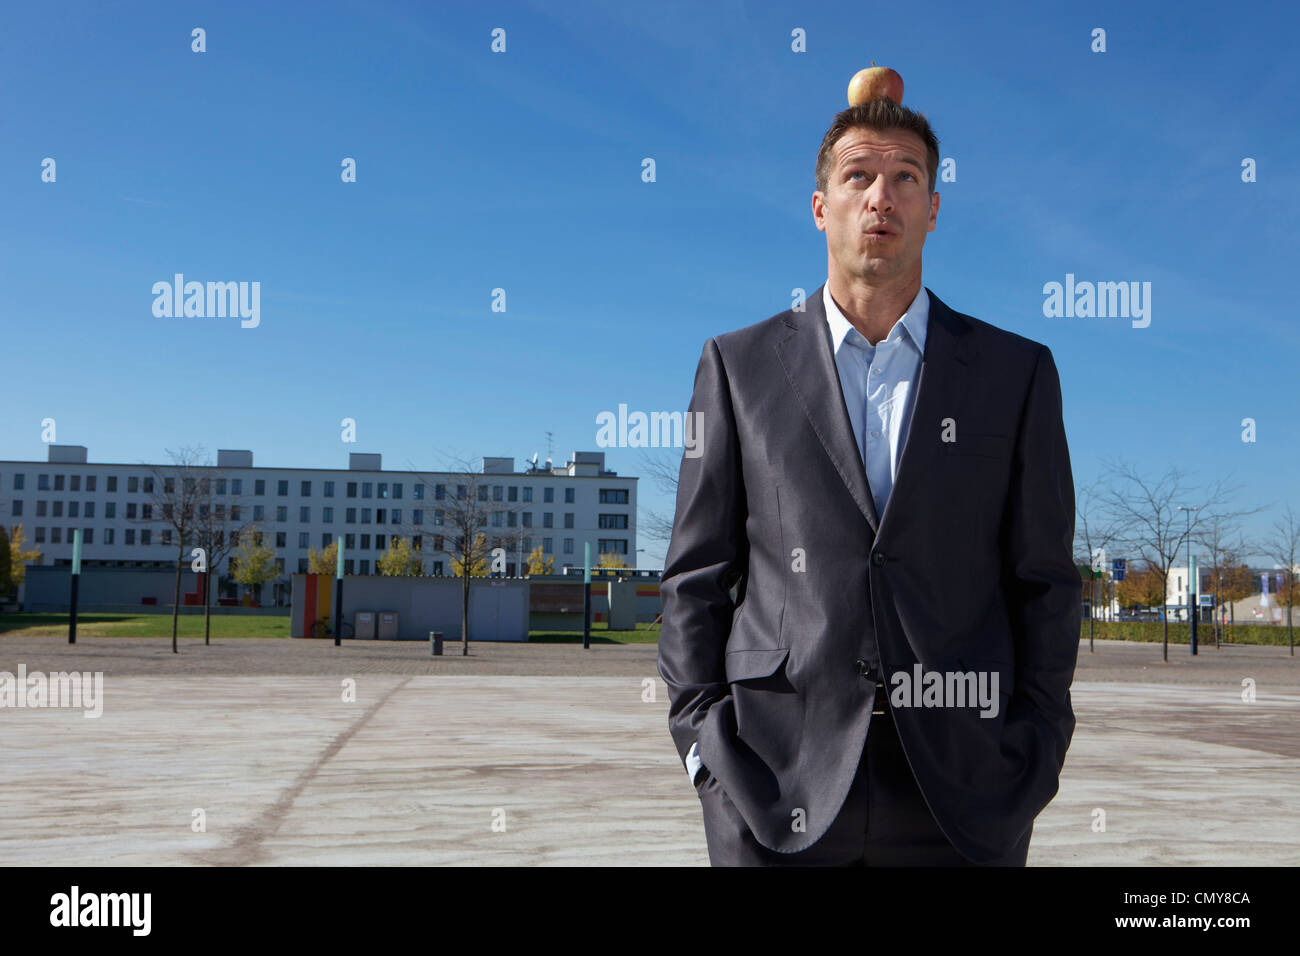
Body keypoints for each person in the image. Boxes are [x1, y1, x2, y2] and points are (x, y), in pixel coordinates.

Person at [657, 96, 1081, 866]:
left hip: (966, 791)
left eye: (905, 177)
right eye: (858, 176)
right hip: (773, 783)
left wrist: (1036, 749)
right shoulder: (737, 366)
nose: (881, 196)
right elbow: (695, 576)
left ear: (934, 209)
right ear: (821, 208)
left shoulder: (1015, 374)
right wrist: (704, 749)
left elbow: (1046, 581)